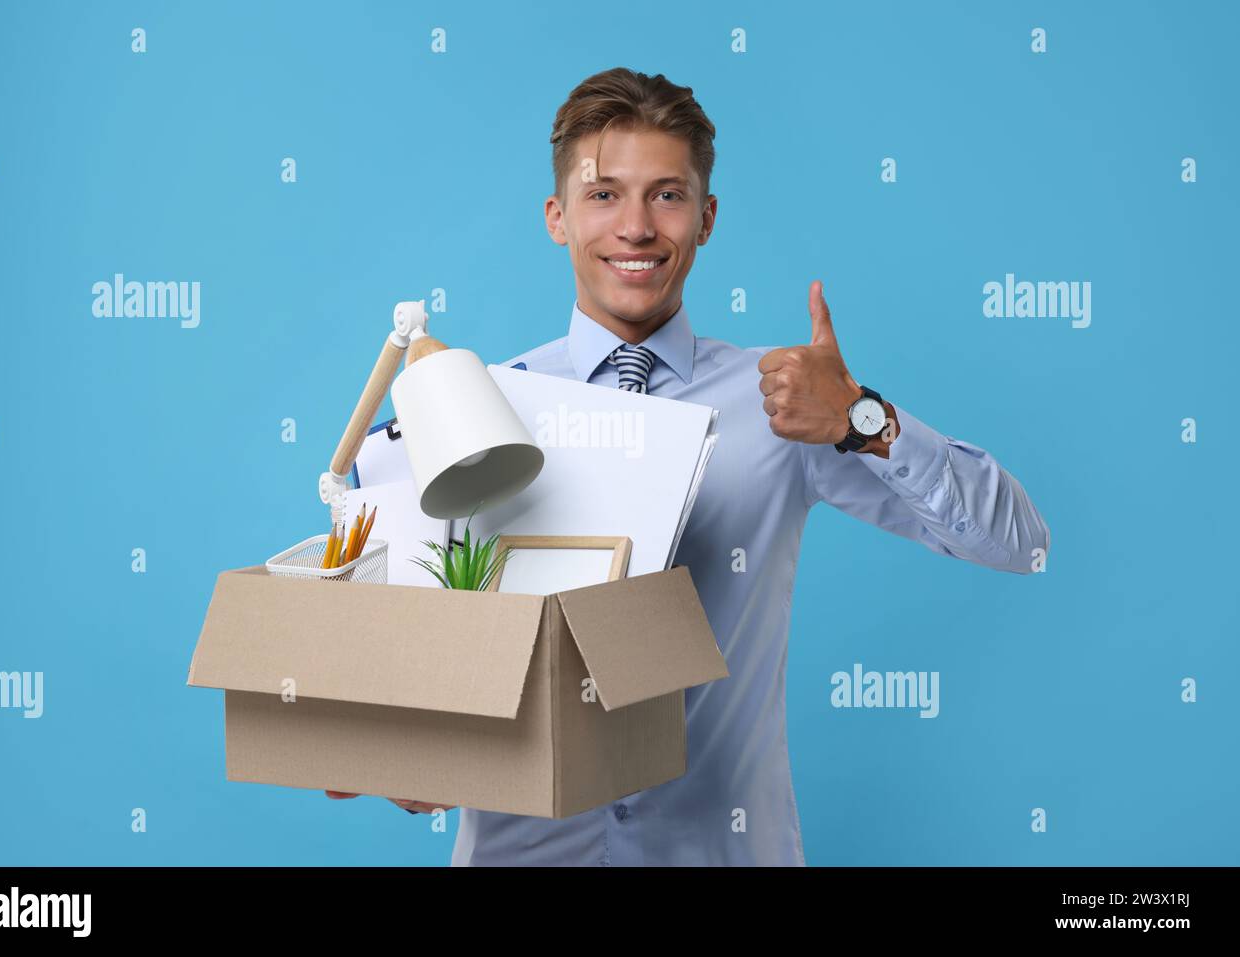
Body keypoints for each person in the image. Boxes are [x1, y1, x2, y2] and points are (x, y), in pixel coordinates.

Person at [328, 67, 1051, 865]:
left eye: (666, 195)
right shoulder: (472, 411)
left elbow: (1018, 541)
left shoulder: (786, 403)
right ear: (556, 217)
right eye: (604, 195)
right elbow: (397, 654)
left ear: (705, 219)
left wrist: (862, 420)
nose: (635, 227)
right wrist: (381, 744)